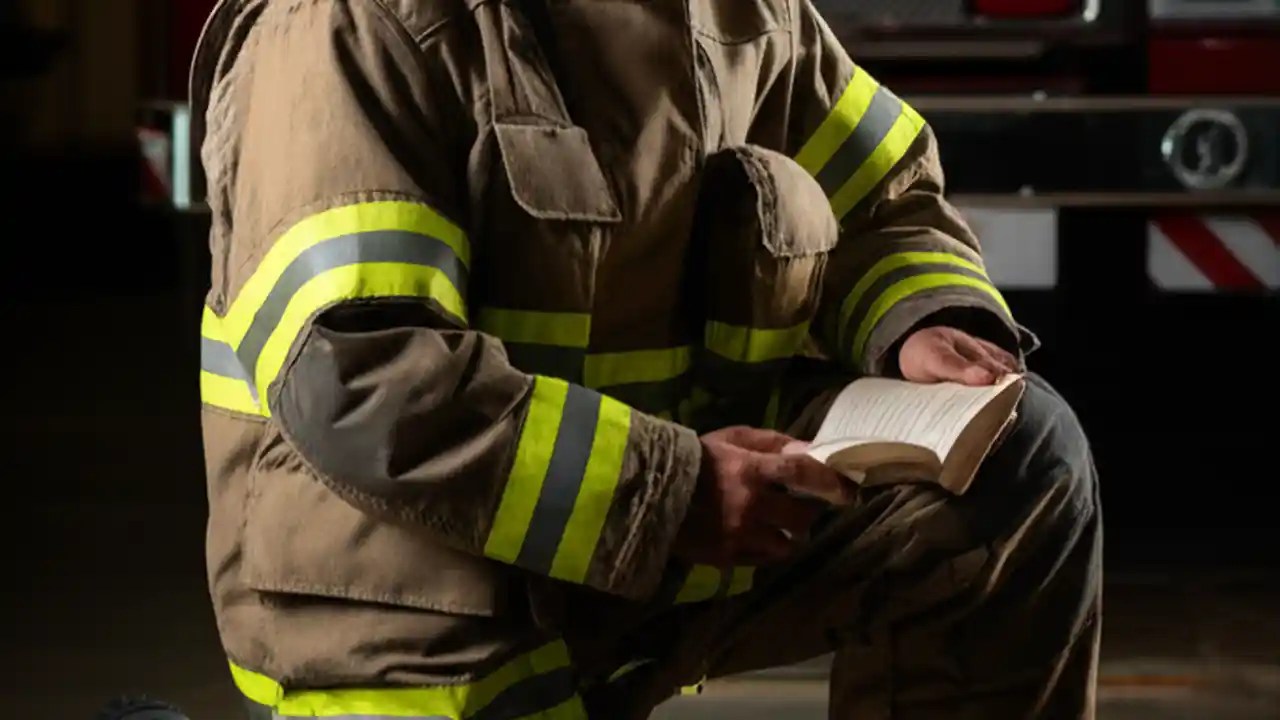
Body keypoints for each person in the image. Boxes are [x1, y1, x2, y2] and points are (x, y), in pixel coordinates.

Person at [191, 0, 1102, 718]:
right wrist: (668, 496)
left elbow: (885, 199)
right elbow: (359, 381)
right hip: (423, 614)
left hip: (654, 547)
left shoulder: (747, 15)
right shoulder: (348, 25)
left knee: (1015, 463)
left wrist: (914, 318)